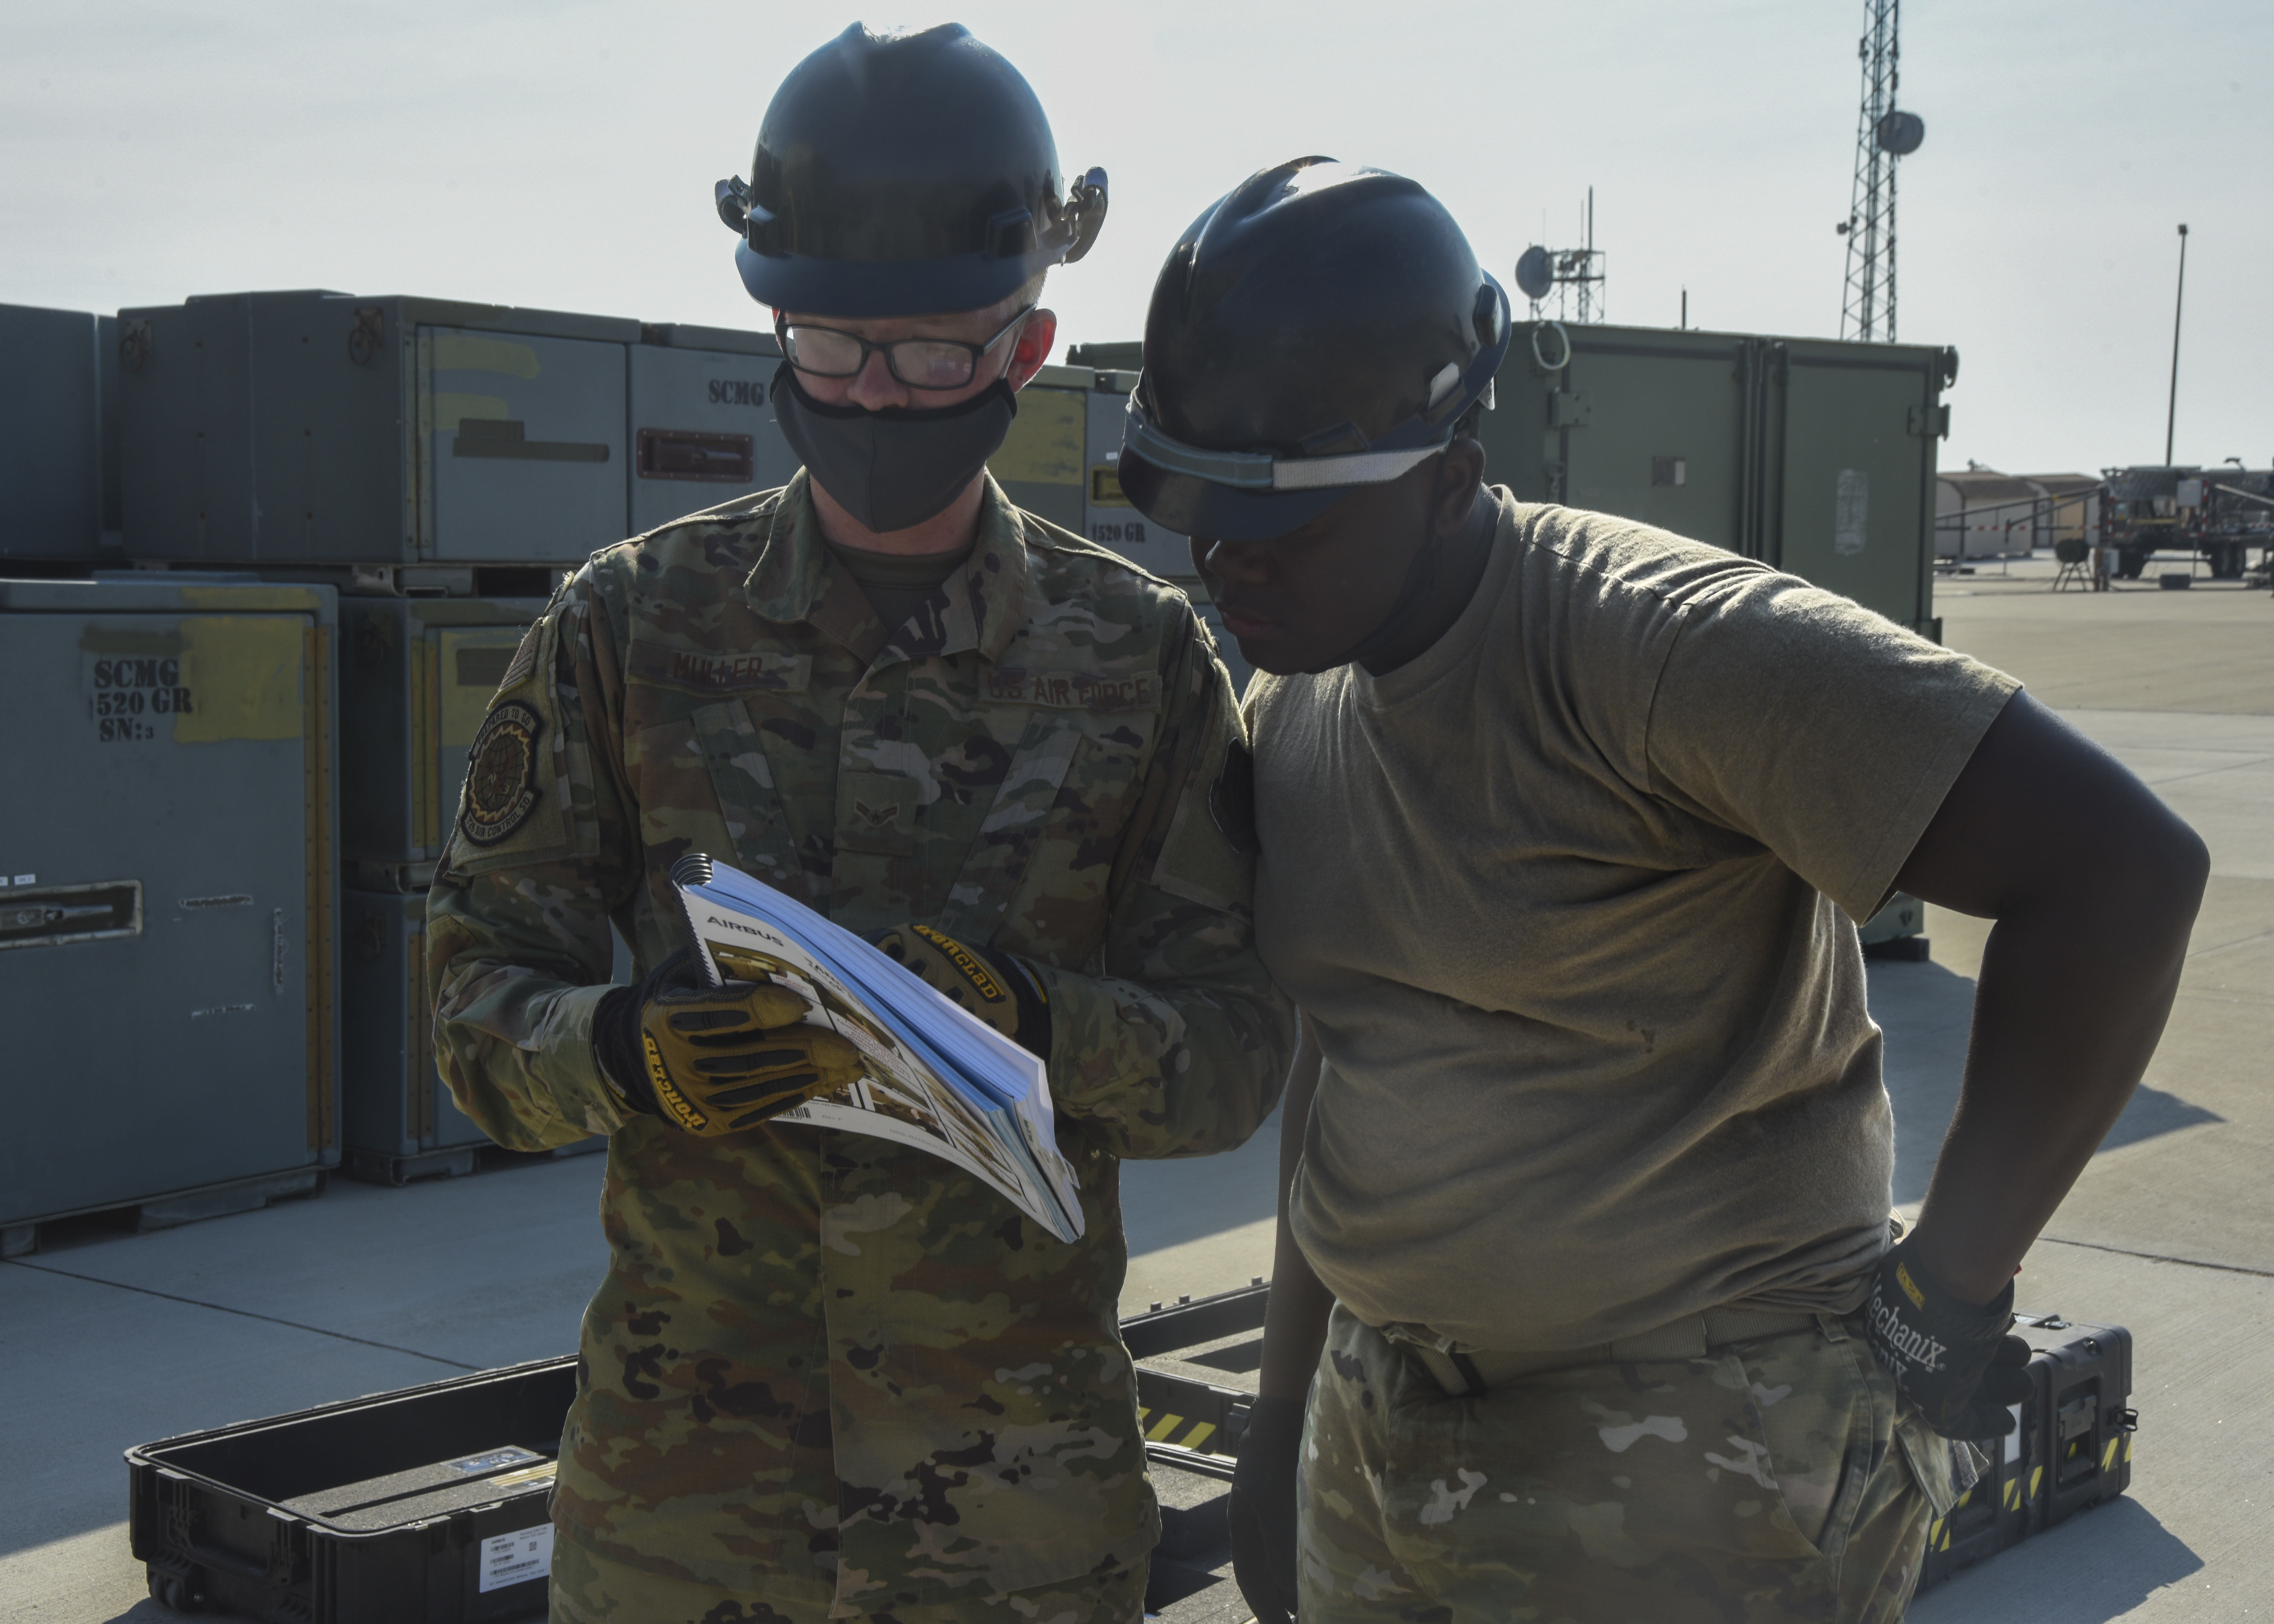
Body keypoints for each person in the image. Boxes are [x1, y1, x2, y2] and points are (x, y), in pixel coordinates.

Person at [1116, 157, 2208, 1623]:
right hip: (1392, 1417)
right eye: (1192, 503)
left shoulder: (1660, 651)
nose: (1220, 559)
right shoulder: (1305, 698)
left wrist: (1944, 1302)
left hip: (1695, 1466)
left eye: (1280, 521)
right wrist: (1288, 1420)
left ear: (1447, 481)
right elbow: (1343, 1054)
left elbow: (2119, 871)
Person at [427, 26, 1292, 1624]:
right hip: (685, 1509)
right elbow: (476, 1010)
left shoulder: (1137, 660)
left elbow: (1236, 1055)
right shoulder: (628, 628)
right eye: (831, 347)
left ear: (1025, 349)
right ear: (771, 323)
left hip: (1012, 1516)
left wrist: (1039, 1027)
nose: (875, 391)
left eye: (930, 354)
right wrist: (624, 1050)